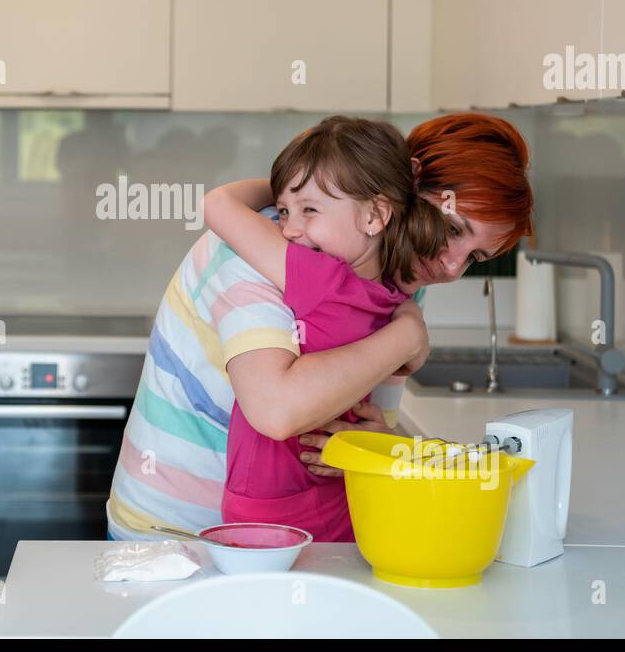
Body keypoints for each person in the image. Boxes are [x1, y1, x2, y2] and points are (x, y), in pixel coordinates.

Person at [105, 112, 534, 540]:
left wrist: (370, 442)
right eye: (454, 227)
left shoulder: (398, 271)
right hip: (173, 533)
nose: (453, 264)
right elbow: (277, 409)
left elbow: (361, 409)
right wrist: (408, 337)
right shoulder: (261, 247)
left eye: (475, 257)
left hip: (287, 535)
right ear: (407, 185)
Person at [205, 117, 447, 540]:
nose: (289, 229)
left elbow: (216, 205)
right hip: (331, 491)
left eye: (309, 210)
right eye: (282, 211)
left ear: (375, 215)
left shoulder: (318, 276)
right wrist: (304, 186)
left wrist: (283, 186)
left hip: (274, 498)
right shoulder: (396, 296)